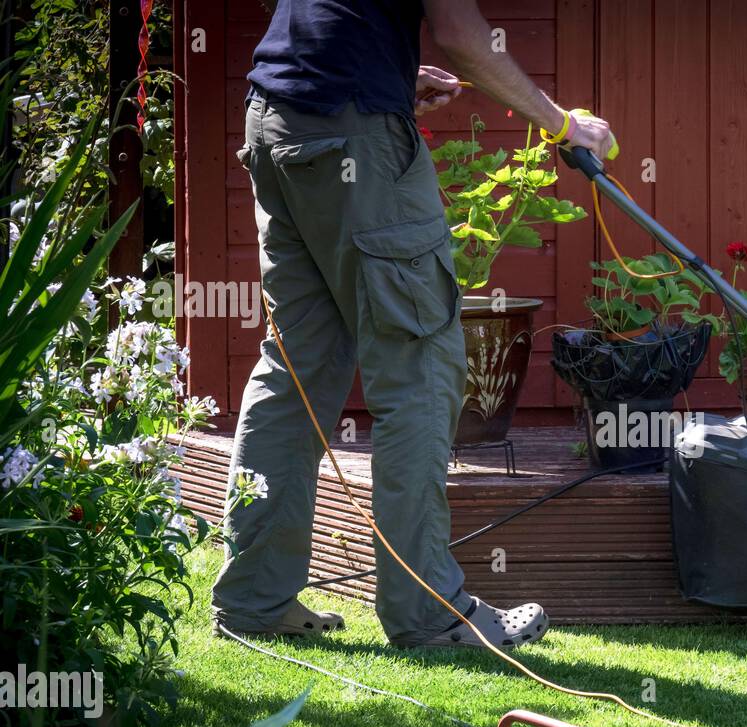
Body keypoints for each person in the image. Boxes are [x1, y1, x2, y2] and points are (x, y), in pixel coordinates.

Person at [211, 0, 616, 649]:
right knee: (421, 363)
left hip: (274, 121)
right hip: (352, 133)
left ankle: (253, 600)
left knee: (295, 370)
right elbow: (461, 33)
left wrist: (385, 74)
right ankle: (428, 611)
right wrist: (561, 123)